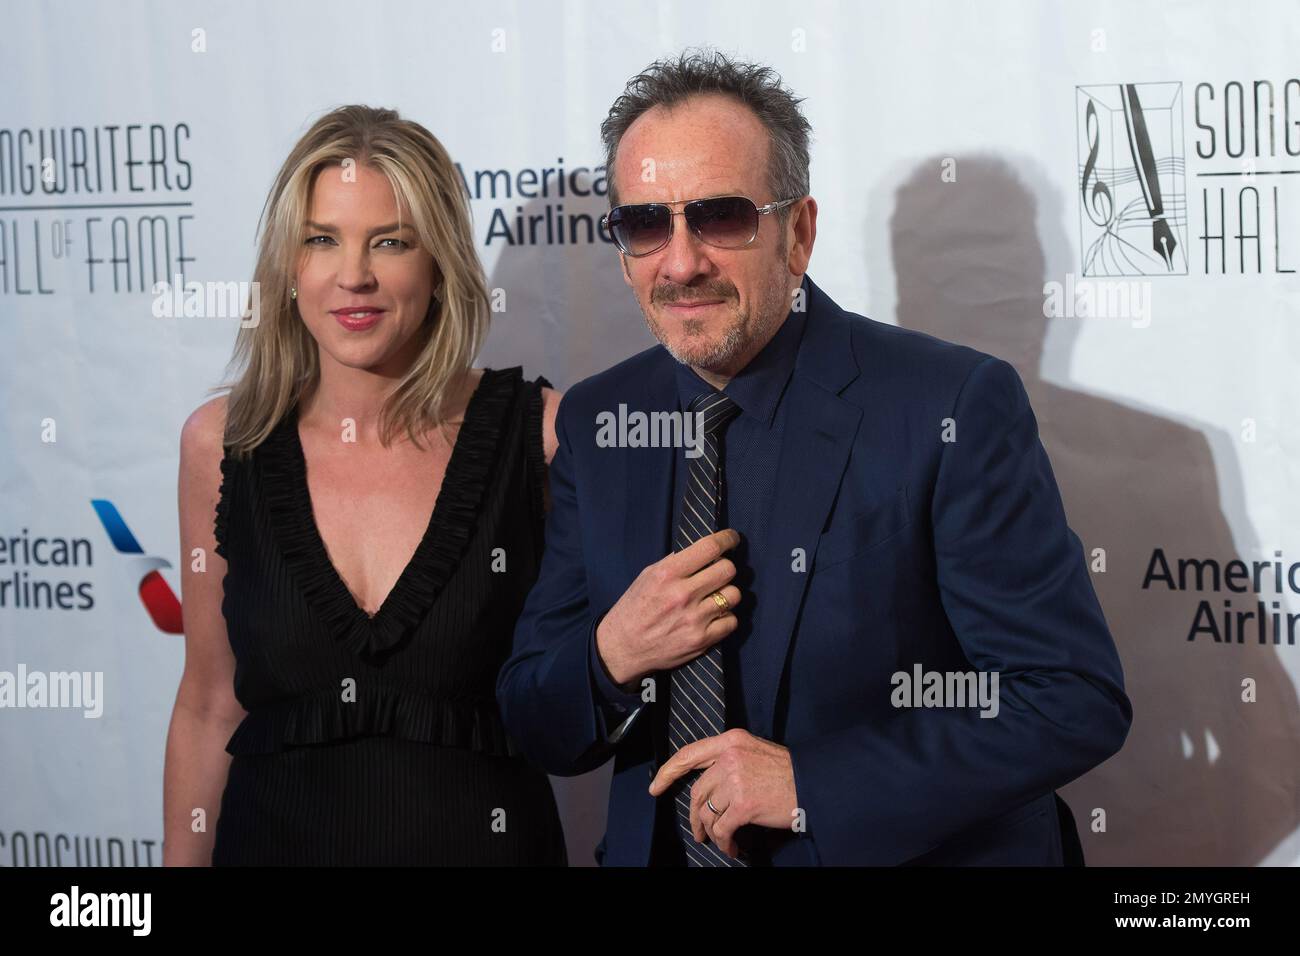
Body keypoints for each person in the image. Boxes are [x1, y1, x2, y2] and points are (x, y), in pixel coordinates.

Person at [497, 51, 1132, 866]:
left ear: (797, 232)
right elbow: (534, 716)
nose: (681, 262)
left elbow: (1069, 700)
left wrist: (814, 786)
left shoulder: (950, 405)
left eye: (721, 216)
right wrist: (611, 657)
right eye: (647, 224)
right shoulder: (598, 418)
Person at [163, 105, 567, 865]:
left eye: (390, 241)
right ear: (288, 264)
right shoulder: (222, 443)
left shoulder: (540, 436)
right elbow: (210, 705)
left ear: (440, 260)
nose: (354, 275)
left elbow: (586, 688)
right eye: (321, 239)